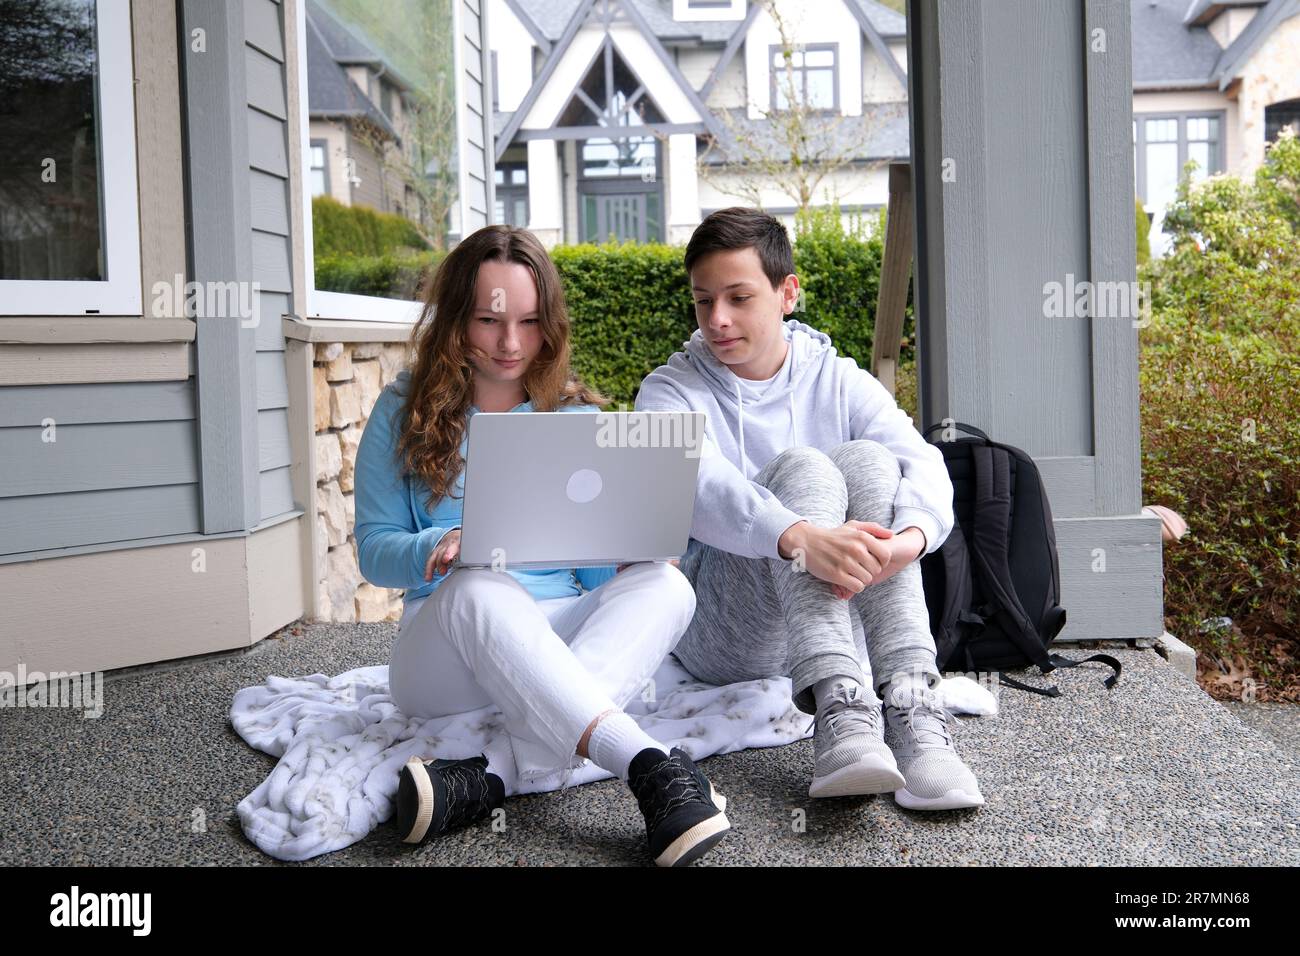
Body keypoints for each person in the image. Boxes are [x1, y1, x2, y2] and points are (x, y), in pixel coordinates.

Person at [353, 224, 729, 866]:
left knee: (667, 585)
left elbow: (587, 570)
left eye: (529, 323)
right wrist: (438, 544)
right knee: (480, 582)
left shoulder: (576, 419)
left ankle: (491, 775)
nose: (510, 344)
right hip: (444, 654)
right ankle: (647, 767)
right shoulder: (401, 410)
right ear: (453, 321)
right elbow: (372, 550)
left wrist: (628, 553)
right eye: (489, 321)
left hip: (553, 644)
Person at [634, 207, 984, 810]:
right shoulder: (668, 391)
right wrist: (798, 536)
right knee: (808, 467)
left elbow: (922, 464)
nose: (718, 319)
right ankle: (841, 717)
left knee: (873, 461)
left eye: (739, 298)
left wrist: (906, 543)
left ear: (786, 293)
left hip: (840, 617)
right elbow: (702, 486)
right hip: (723, 630)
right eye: (703, 301)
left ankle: (910, 705)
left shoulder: (836, 376)